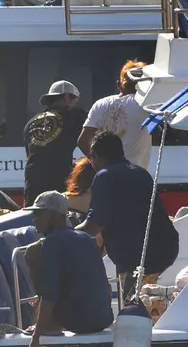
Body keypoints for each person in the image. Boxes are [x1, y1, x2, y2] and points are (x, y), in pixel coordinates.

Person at [77, 131, 180, 307]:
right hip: (165, 248)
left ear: (99, 155)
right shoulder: (140, 172)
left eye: (91, 156)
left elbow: (95, 224)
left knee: (131, 307)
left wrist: (67, 232)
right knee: (144, 303)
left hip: (136, 256)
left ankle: (135, 322)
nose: (91, 161)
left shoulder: (105, 175)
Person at [23, 191, 114, 347]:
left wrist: (36, 338)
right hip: (103, 320)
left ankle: (50, 325)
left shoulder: (52, 242)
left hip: (79, 323)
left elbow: (50, 294)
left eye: (39, 213)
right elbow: (107, 288)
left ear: (55, 216)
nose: (34, 219)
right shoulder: (86, 238)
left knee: (32, 253)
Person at [23, 80, 87, 207]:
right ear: (67, 96)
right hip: (59, 181)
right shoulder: (76, 116)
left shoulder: (31, 123)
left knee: (33, 220)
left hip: (32, 183)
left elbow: (30, 153)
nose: (76, 104)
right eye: (75, 100)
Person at [79, 60, 152, 171]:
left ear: (119, 84)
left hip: (105, 174)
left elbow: (83, 141)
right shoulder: (147, 106)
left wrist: (98, 165)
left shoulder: (100, 104)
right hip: (134, 174)